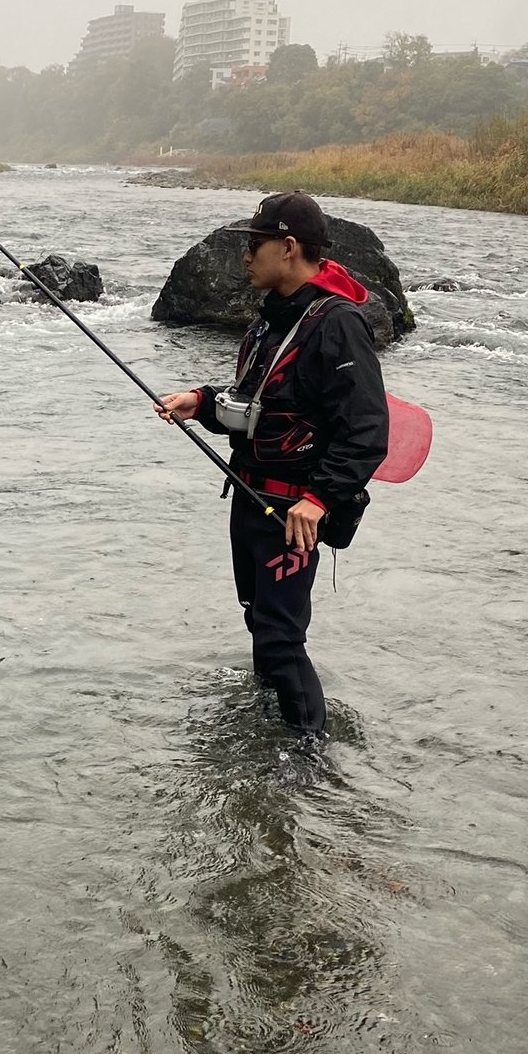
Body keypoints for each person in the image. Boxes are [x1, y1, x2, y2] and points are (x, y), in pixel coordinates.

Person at [155, 192, 389, 740]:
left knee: (282, 638)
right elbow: (260, 406)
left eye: (254, 244)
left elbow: (368, 430)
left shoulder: (338, 325)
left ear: (287, 248)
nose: (246, 256)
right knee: (260, 622)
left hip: (293, 514)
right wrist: (202, 402)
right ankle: (268, 737)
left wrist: (319, 499)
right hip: (250, 500)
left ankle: (307, 760)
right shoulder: (270, 323)